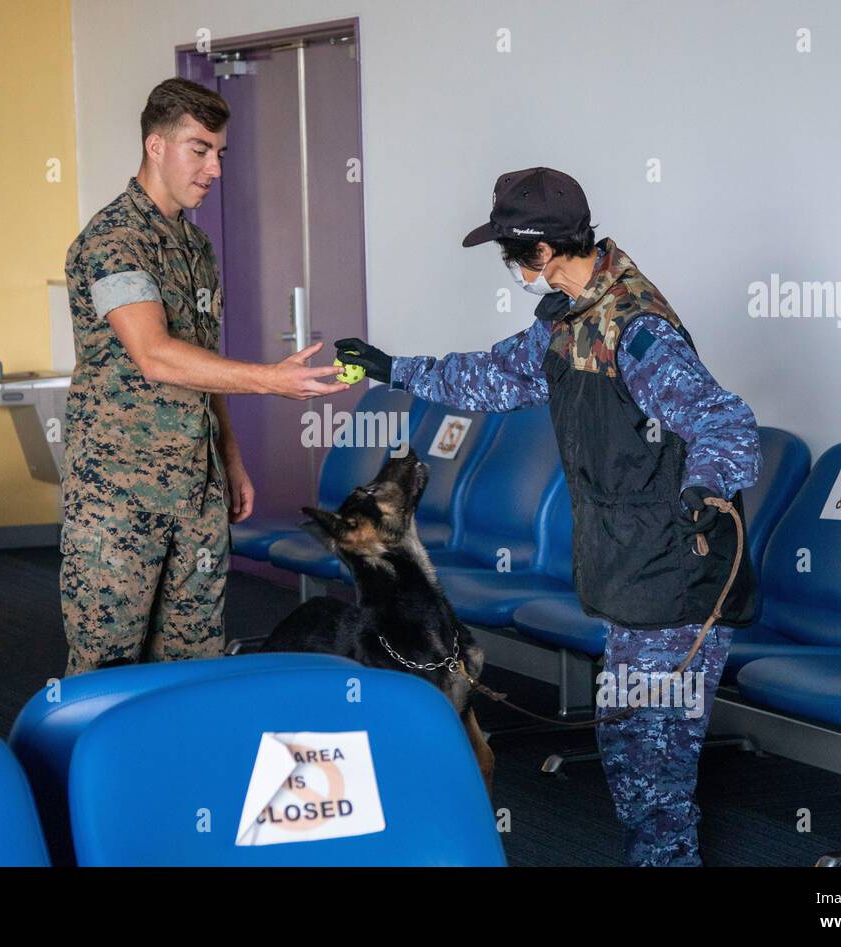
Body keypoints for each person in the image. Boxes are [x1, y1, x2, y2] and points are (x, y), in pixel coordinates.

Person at [335, 167, 763, 866]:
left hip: (678, 576)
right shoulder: (569, 322)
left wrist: (705, 487)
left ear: (537, 252)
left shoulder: (636, 330)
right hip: (633, 566)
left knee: (652, 766)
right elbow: (494, 376)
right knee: (629, 748)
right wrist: (394, 368)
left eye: (510, 252)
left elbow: (726, 423)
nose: (511, 267)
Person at [60, 78, 348, 675]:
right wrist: (272, 380)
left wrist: (231, 457)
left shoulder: (195, 246)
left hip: (196, 488)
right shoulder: (114, 241)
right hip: (121, 493)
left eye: (220, 153)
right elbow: (155, 355)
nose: (214, 168)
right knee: (108, 665)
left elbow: (200, 366)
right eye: (199, 150)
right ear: (156, 145)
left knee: (193, 661)